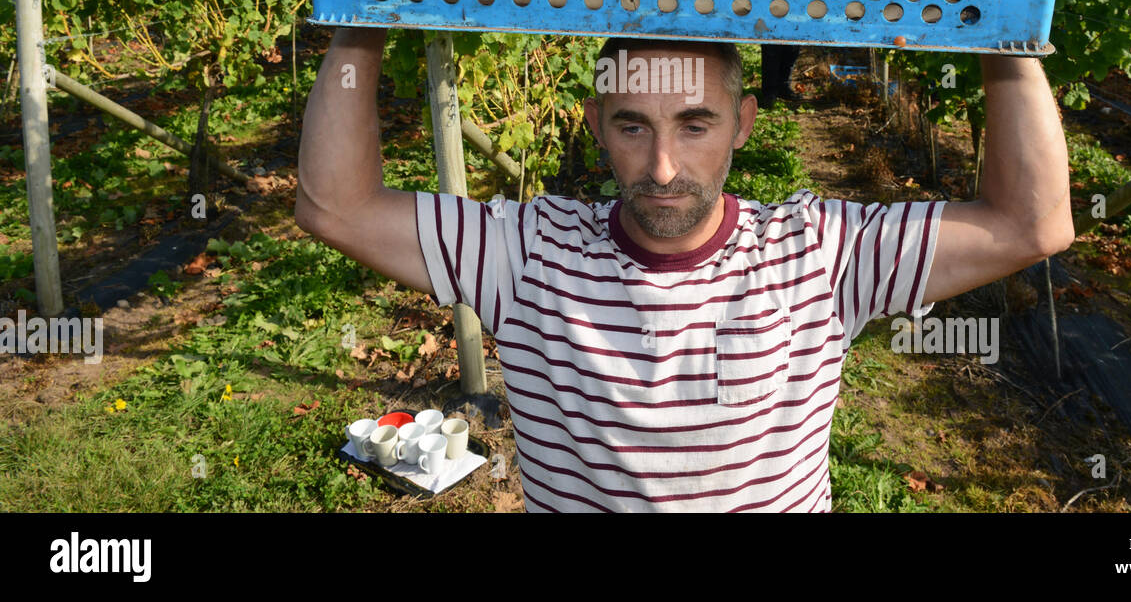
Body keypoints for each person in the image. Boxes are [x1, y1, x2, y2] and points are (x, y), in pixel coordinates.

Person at [295, 30, 1074, 512]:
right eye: (632, 126)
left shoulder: (821, 251)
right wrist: (363, 23)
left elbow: (1031, 224)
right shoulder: (524, 253)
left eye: (694, 125)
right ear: (596, 124)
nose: (663, 168)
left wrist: (998, 33)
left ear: (743, 123)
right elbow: (337, 208)